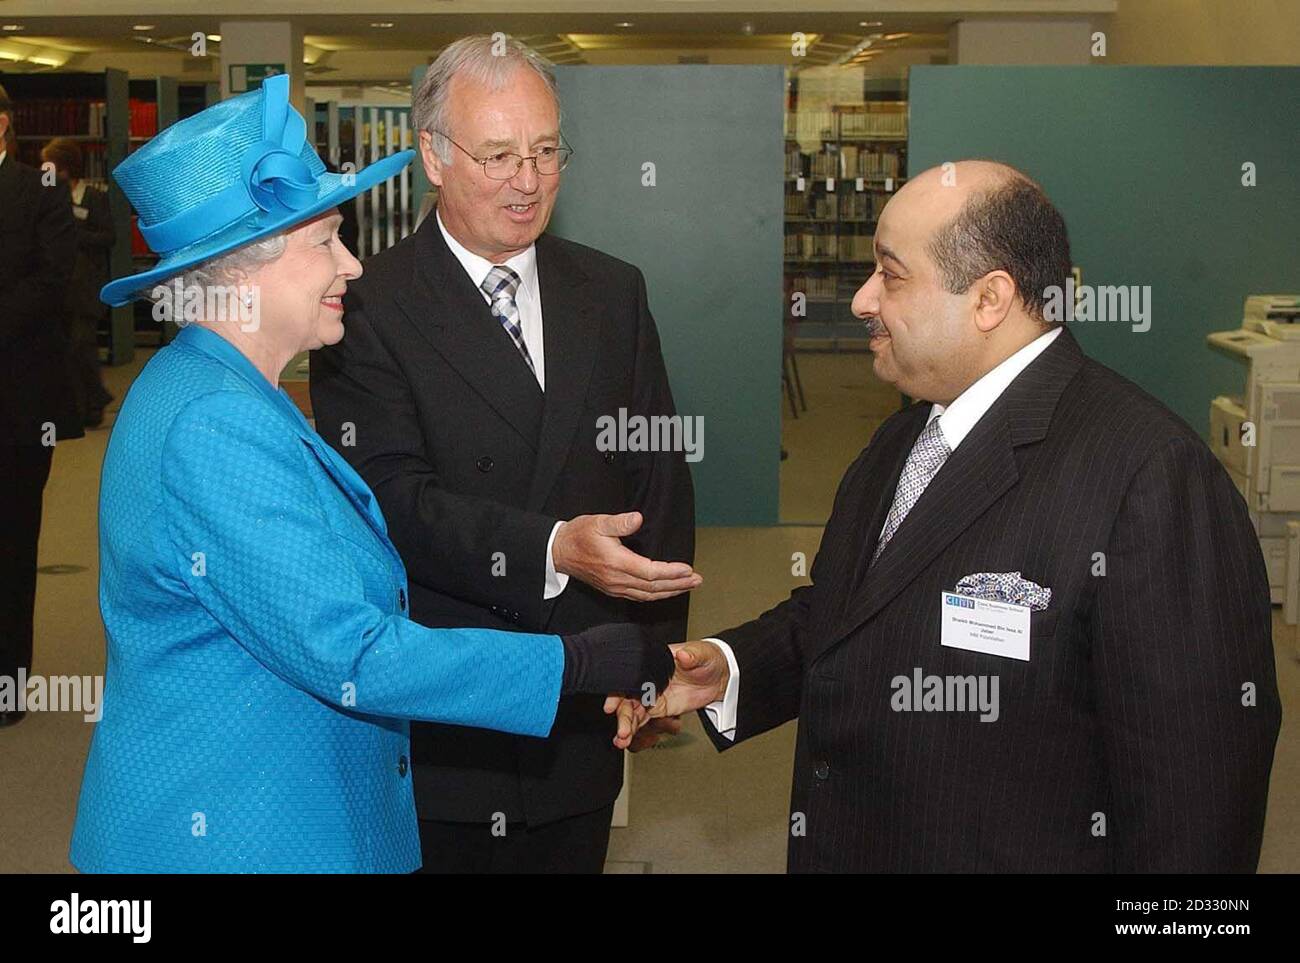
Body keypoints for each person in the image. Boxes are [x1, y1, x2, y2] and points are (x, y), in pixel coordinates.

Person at [68, 74, 670, 873]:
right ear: (243, 271)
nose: (350, 265)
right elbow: (352, 655)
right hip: (241, 833)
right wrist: (579, 663)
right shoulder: (214, 425)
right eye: (325, 241)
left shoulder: (220, 390)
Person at [622, 160, 1282, 873]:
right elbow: (848, 615)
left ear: (990, 298)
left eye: (892, 274)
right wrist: (729, 669)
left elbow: (1196, 802)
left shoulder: (1151, 476)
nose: (864, 299)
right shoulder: (901, 439)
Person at [311, 36, 697, 874]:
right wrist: (554, 546)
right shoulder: (366, 306)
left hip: (586, 699)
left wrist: (653, 661)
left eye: (547, 150)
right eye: (498, 156)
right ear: (435, 160)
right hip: (453, 704)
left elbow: (657, 482)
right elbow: (392, 504)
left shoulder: (613, 290)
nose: (528, 179)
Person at [0, 85, 83, 729]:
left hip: (18, 400)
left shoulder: (40, 191)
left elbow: (53, 282)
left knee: (11, 541)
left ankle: (7, 684)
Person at [41, 137, 116, 427]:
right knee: (66, 350)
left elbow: (109, 237)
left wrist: (75, 232)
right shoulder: (49, 197)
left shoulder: (95, 197)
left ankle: (96, 399)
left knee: (80, 346)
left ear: (64, 168)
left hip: (87, 286)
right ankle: (83, 407)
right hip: (60, 286)